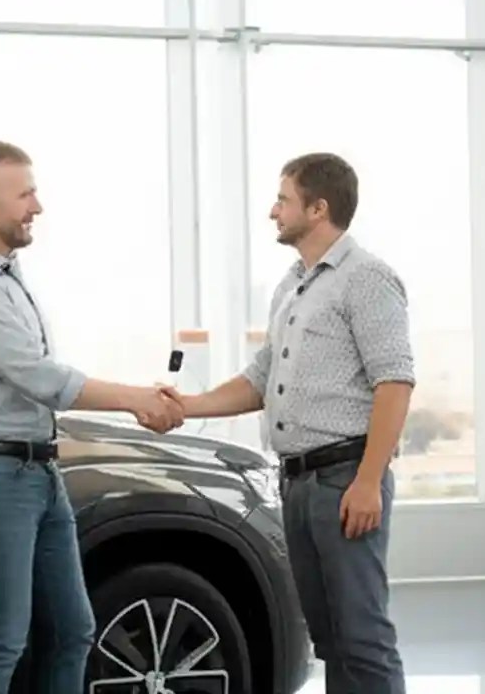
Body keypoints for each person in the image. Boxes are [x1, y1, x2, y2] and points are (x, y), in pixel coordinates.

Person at [0, 140, 183, 694]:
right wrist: (138, 398)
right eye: (24, 194)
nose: (37, 206)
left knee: (74, 630)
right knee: (3, 640)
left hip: (37, 472)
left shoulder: (4, 276)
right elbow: (42, 378)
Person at [162, 152, 412, 694]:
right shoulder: (294, 285)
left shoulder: (366, 278)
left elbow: (395, 381)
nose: (273, 211)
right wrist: (187, 406)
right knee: (329, 638)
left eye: (283, 199)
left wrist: (368, 480)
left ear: (319, 208)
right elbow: (260, 378)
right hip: (297, 482)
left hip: (344, 479)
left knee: (363, 638)